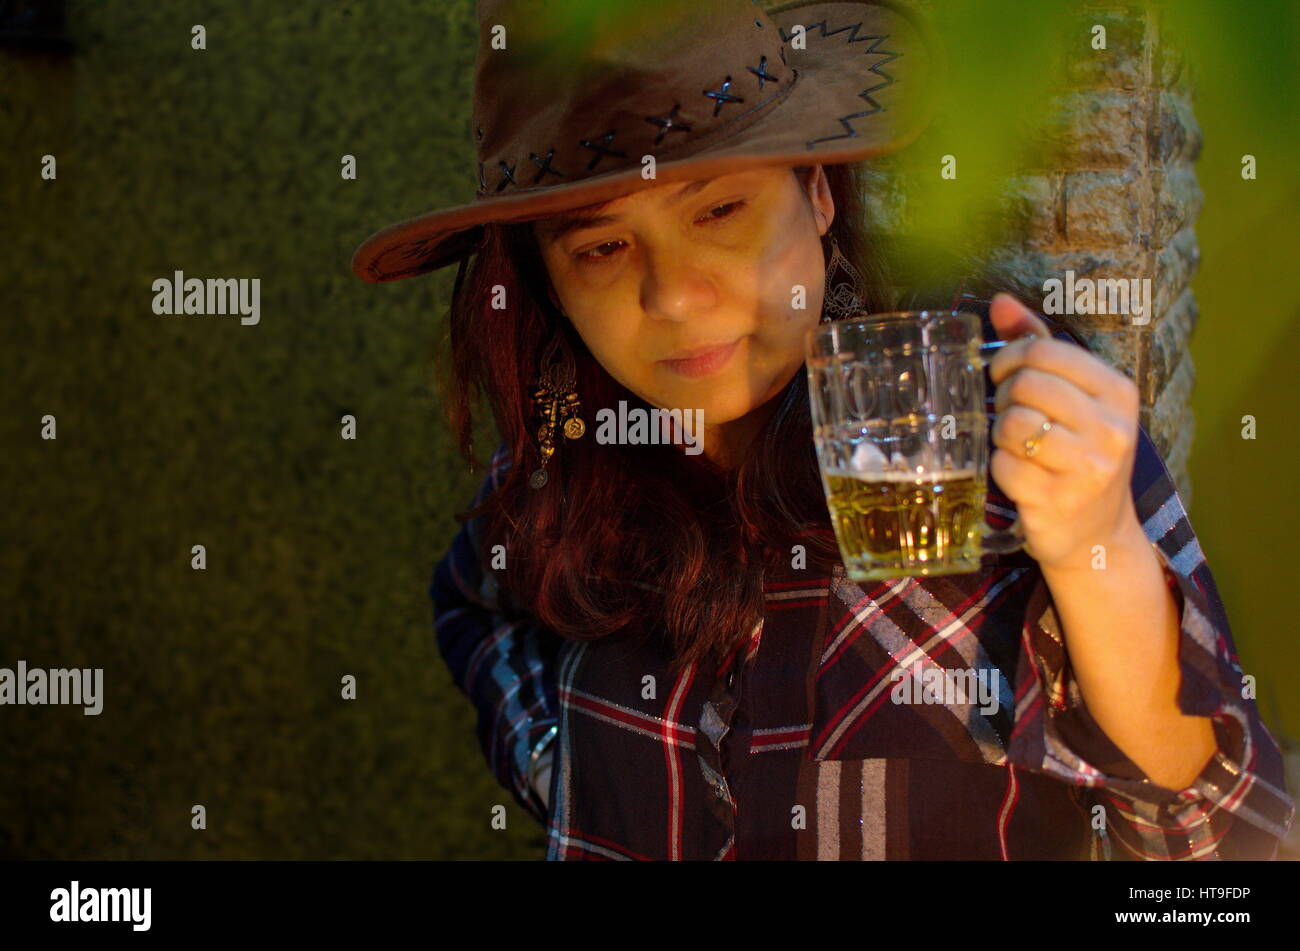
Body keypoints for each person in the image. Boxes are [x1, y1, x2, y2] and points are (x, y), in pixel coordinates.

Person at [351, 0, 1294, 859]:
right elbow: (471, 601)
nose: (674, 294)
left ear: (818, 191)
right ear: (547, 279)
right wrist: (566, 764)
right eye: (601, 246)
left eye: (719, 208)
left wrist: (1098, 546)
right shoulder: (564, 456)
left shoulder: (990, 415)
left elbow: (1223, 838)